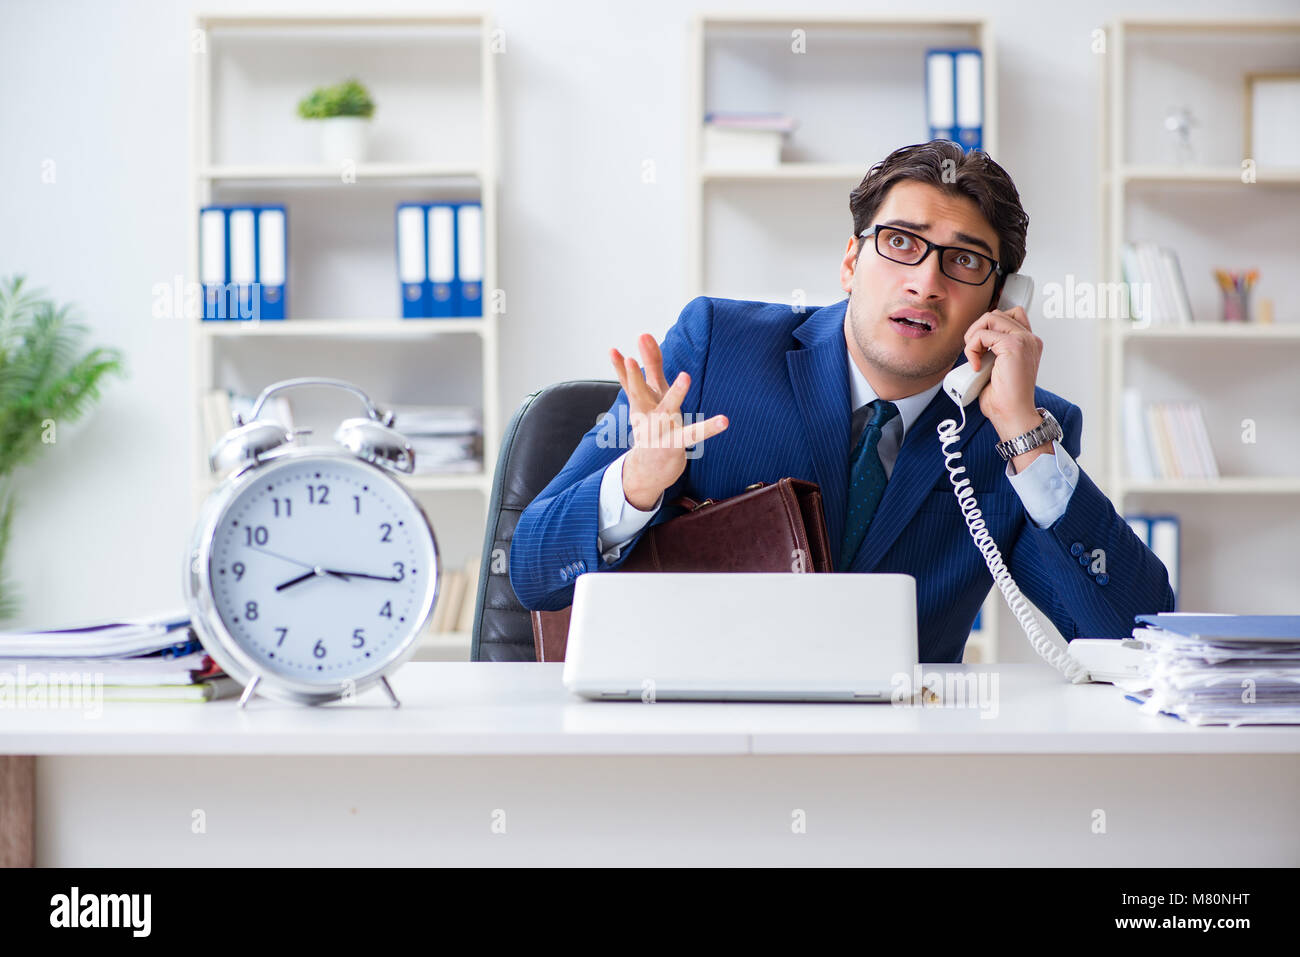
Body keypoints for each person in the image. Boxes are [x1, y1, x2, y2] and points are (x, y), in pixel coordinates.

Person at [509, 140, 1174, 663]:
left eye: (964, 262)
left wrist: (1026, 436)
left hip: (887, 774)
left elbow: (1129, 632)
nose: (925, 283)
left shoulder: (1015, 430)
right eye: (902, 244)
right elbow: (536, 569)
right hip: (694, 745)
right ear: (851, 262)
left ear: (1001, 302)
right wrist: (636, 485)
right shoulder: (718, 350)